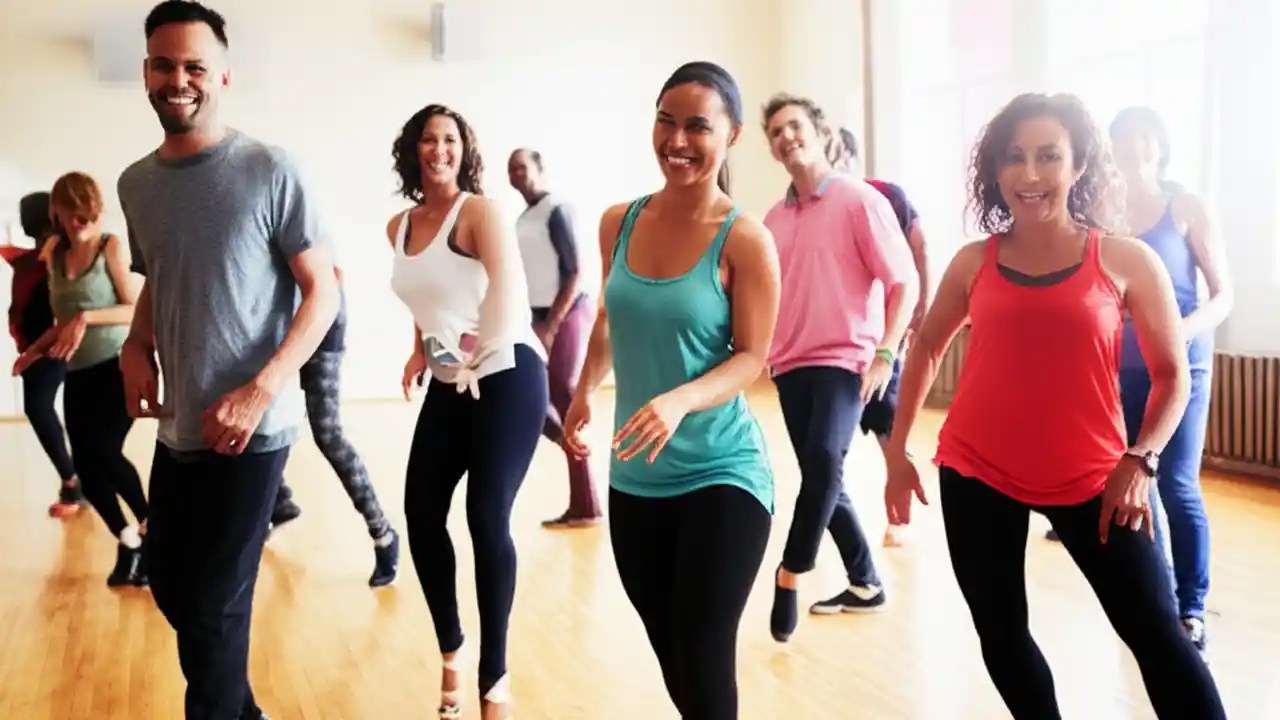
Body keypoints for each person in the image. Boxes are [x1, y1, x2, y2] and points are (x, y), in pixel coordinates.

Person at [883, 92, 1226, 719]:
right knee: (1002, 634)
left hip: (1097, 481)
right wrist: (897, 449)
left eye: (1049, 156)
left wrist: (1142, 460)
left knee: (1159, 639)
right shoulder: (973, 262)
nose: (1031, 174)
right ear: (995, 172)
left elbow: (1173, 376)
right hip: (977, 470)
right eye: (1014, 158)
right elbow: (928, 344)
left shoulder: (1125, 259)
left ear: (1078, 166)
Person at [118, 2, 340, 718]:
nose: (177, 79)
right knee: (175, 588)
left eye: (194, 67)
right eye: (163, 64)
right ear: (146, 70)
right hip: (181, 425)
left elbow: (323, 295)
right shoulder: (136, 184)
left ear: (222, 76)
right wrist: (134, 344)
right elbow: (158, 278)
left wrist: (260, 390)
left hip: (253, 431)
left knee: (212, 615)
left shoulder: (270, 169)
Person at [563, 61, 780, 719]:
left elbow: (753, 357)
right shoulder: (617, 223)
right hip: (636, 476)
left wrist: (682, 397)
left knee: (705, 649)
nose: (676, 141)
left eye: (696, 127)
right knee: (672, 652)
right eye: (666, 121)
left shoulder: (745, 238)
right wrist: (582, 389)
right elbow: (608, 318)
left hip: (723, 472)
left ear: (731, 136)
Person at [388, 103, 547, 720]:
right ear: (414, 150)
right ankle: (452, 647)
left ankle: (495, 678)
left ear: (464, 149)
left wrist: (485, 345)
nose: (439, 149)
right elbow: (425, 293)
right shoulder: (398, 226)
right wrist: (417, 351)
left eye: (449, 139)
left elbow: (508, 285)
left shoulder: (480, 210)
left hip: (508, 374)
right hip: (450, 381)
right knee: (421, 513)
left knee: (486, 515)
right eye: (428, 139)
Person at [759, 94, 918, 643]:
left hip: (844, 360)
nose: (786, 137)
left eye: (795, 125)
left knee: (825, 464)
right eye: (776, 131)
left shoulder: (858, 200)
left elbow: (904, 282)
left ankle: (789, 572)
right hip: (788, 365)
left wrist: (885, 352)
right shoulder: (772, 220)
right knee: (823, 480)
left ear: (820, 131)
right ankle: (866, 582)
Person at [1104, 105, 1231, 655]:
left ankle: (1192, 608)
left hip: (1181, 366)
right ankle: (1156, 600)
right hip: (1121, 369)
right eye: (1123, 141)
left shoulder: (1186, 207)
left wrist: (1178, 331)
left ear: (1160, 146)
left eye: (1143, 139)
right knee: (1137, 484)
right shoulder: (1104, 218)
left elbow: (1223, 296)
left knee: (1176, 483)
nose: (1134, 149)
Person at [14, 172, 148, 586]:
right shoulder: (53, 252)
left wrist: (87, 317)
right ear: (56, 212)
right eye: (71, 217)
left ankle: (151, 526)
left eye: (85, 217)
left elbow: (135, 308)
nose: (79, 226)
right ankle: (130, 543)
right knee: (87, 471)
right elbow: (61, 319)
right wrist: (35, 350)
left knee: (105, 451)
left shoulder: (109, 246)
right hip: (77, 372)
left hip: (116, 364)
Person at [827, 125, 932, 548]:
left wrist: (920, 309)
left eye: (835, 151)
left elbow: (920, 249)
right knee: (833, 439)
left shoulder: (886, 195)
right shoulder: (813, 205)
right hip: (836, 341)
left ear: (850, 156)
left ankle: (899, 515)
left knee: (889, 424)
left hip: (882, 336)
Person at [269, 268, 401, 588]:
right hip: (275, 325)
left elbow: (331, 275)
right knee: (267, 420)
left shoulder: (300, 223)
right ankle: (279, 502)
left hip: (320, 325)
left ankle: (382, 533)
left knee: (328, 434)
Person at [507, 147, 602, 528]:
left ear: (539, 169)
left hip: (567, 310)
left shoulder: (556, 208)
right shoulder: (522, 218)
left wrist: (552, 326)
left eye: (522, 167)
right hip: (537, 314)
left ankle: (587, 504)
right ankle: (571, 450)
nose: (516, 174)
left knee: (561, 391)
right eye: (510, 170)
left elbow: (575, 270)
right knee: (532, 397)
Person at [2, 191, 81, 517]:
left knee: (39, 408)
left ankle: (73, 483)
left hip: (52, 346)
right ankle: (75, 481)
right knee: (47, 410)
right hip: (37, 346)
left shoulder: (57, 257)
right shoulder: (27, 258)